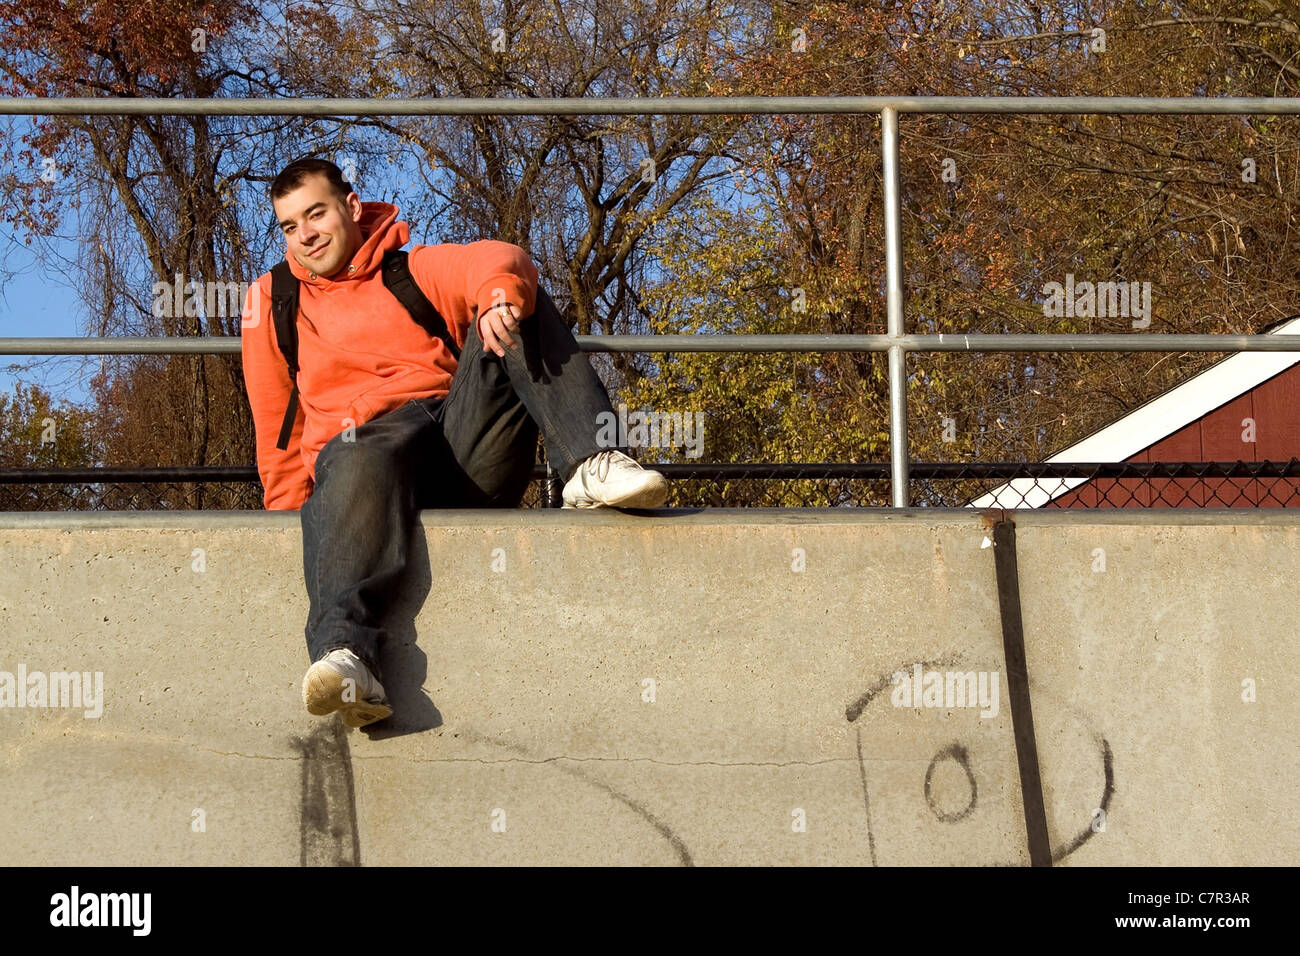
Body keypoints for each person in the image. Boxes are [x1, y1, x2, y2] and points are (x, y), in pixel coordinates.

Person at [241, 158, 667, 729]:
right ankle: (347, 659)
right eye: (290, 226)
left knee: (512, 304)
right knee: (356, 445)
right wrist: (284, 521)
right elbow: (276, 424)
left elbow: (503, 257)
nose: (306, 235)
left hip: (460, 454)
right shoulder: (272, 301)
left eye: (316, 214)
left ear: (351, 207)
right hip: (361, 471)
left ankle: (589, 461)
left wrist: (498, 297)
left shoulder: (409, 270)